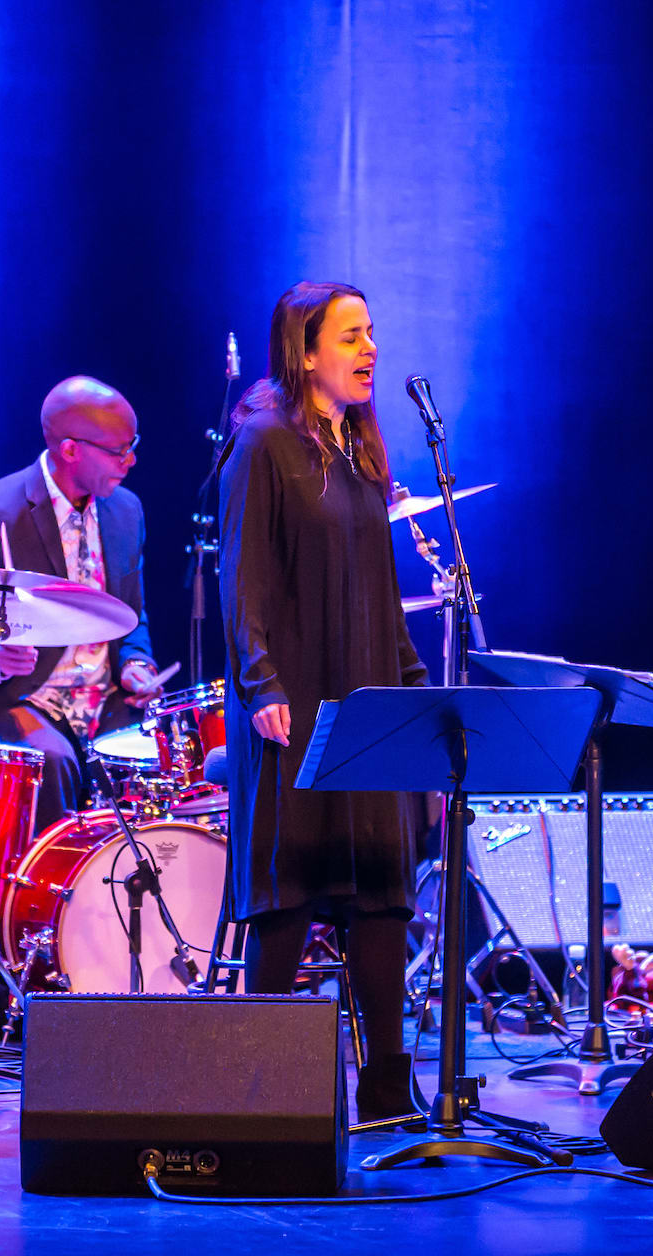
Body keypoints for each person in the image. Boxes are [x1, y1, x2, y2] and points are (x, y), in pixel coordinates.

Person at [219, 281, 428, 1121]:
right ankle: (259, 1092)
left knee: (380, 887)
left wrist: (416, 696)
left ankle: (385, 1089)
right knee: (289, 890)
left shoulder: (362, 451)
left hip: (367, 699)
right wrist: (261, 680)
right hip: (294, 702)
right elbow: (242, 576)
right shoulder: (264, 443)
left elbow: (383, 592)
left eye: (372, 333)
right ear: (306, 351)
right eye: (350, 337)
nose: (369, 349)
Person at [0, 377, 162, 827]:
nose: (131, 460)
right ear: (70, 450)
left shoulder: (126, 510)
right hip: (18, 699)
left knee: (160, 756)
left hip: (105, 701)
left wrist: (136, 662)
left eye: (132, 445)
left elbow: (132, 612)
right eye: (119, 450)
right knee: (53, 759)